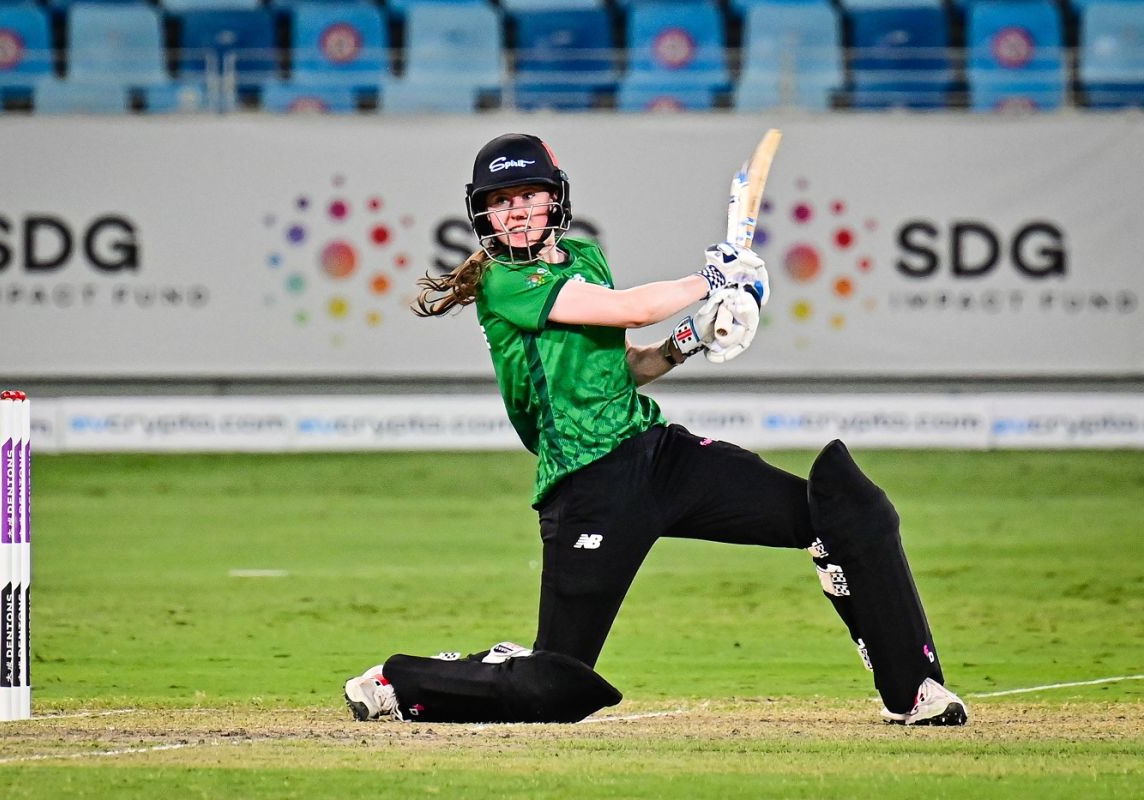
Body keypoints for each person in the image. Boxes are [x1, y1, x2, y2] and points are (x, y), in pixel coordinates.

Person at [343, 133, 968, 727]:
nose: (517, 213)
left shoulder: (584, 255)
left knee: (843, 512)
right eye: (501, 203)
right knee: (556, 684)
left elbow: (622, 367)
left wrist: (692, 339)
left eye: (528, 196)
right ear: (482, 216)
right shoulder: (504, 284)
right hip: (586, 486)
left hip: (659, 455)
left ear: (555, 198)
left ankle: (914, 690)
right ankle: (403, 682)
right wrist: (714, 278)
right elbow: (630, 308)